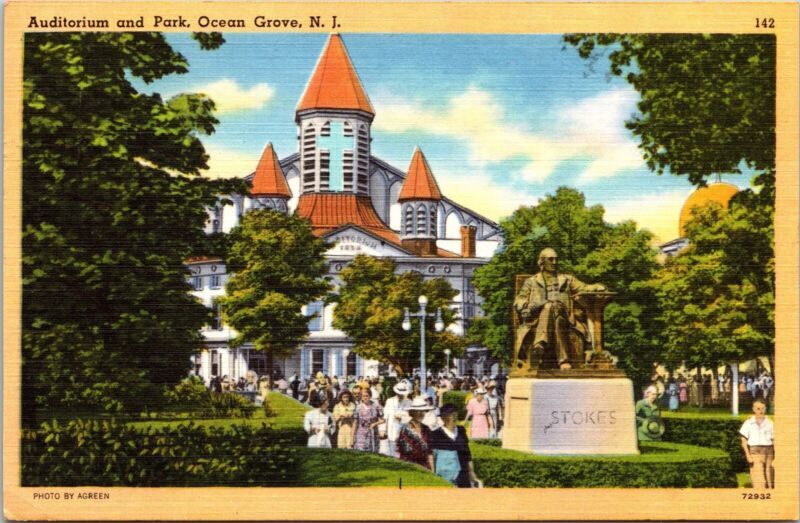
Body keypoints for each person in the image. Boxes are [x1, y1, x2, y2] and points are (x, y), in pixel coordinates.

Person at [513, 248, 606, 371]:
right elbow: (519, 300)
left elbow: (584, 288)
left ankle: (540, 344)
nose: (554, 262)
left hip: (566, 316)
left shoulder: (567, 279)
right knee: (550, 307)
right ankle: (563, 360)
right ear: (542, 262)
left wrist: (598, 287)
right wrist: (527, 305)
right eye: (550, 259)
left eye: (556, 259)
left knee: (553, 307)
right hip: (538, 319)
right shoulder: (531, 282)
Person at [430, 405, 478, 488]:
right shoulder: (436, 434)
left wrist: (471, 472)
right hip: (446, 476)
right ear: (443, 418)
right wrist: (433, 475)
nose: (454, 418)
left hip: (463, 475)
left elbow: (467, 454)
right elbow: (433, 457)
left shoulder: (461, 431)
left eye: (455, 415)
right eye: (451, 415)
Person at [739, 399, 774, 489]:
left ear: (765, 409)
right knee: (758, 479)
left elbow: (774, 440)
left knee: (770, 478)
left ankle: (771, 491)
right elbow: (743, 440)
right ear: (753, 409)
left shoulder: (770, 423)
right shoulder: (748, 423)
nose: (761, 411)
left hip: (769, 451)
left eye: (763, 408)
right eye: (758, 408)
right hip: (755, 451)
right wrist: (748, 455)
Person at [397, 396, 435, 470]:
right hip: (410, 468)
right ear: (412, 412)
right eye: (418, 411)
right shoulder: (405, 429)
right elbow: (404, 453)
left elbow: (430, 452)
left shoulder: (426, 429)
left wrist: (433, 471)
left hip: (425, 468)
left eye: (423, 411)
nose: (421, 414)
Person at [383, 380, 412, 457]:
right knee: (392, 454)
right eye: (399, 394)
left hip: (404, 433)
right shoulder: (389, 401)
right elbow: (386, 418)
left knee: (404, 455)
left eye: (402, 394)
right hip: (392, 432)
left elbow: (411, 419)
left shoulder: (409, 402)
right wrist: (385, 431)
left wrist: (402, 418)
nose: (400, 395)